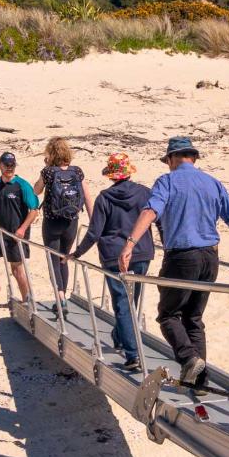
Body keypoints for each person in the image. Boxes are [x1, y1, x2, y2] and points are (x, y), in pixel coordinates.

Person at [119, 137, 229, 388]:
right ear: (193, 158)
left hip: (182, 256)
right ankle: (200, 383)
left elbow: (150, 211)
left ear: (171, 159)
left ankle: (189, 359)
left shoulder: (167, 181)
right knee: (194, 318)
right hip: (210, 257)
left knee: (168, 315)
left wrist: (130, 244)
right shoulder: (213, 182)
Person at [72, 153, 154, 370]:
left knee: (123, 303)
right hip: (141, 252)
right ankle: (119, 335)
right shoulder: (145, 193)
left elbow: (94, 232)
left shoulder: (105, 198)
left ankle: (132, 355)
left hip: (114, 255)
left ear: (111, 175)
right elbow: (159, 220)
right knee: (130, 301)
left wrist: (77, 253)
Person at [28, 138, 92, 315]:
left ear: (51, 153)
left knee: (53, 259)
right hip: (71, 221)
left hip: (52, 221)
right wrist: (94, 220)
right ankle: (63, 294)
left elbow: (36, 190)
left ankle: (60, 297)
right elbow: (87, 196)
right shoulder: (77, 171)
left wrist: (47, 167)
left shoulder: (48, 172)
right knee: (64, 258)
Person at [0, 152, 36, 303]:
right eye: (6, 165)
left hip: (16, 235)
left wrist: (22, 229)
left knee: (17, 271)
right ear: (0, 166)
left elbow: (34, 210)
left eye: (12, 165)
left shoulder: (22, 185)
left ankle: (27, 301)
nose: (10, 168)